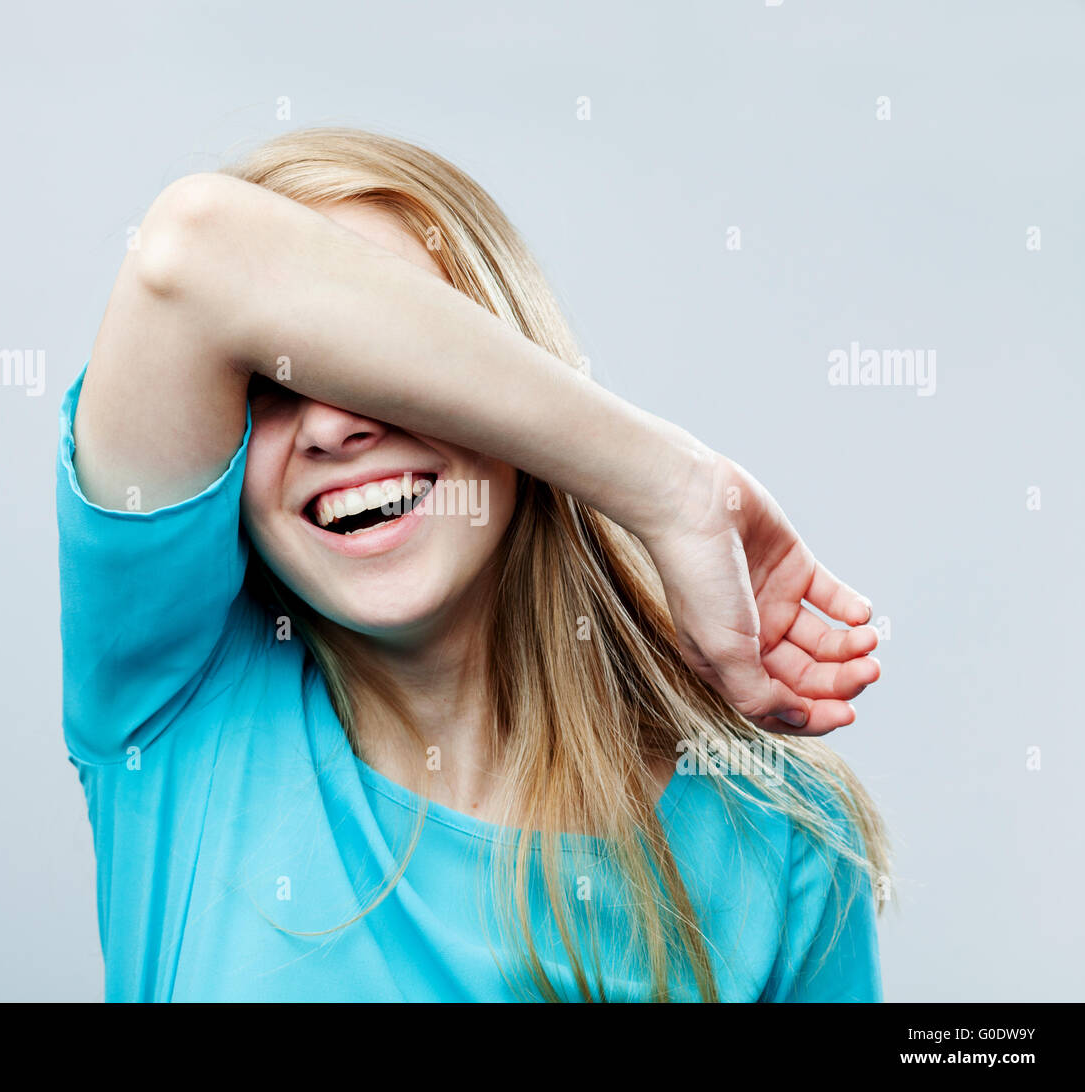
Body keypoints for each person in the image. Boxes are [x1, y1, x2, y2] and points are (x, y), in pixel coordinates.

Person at [57, 127, 888, 1002]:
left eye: (385, 366)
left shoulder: (782, 840)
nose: (335, 425)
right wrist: (673, 489)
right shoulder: (178, 701)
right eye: (271, 380)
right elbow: (193, 249)